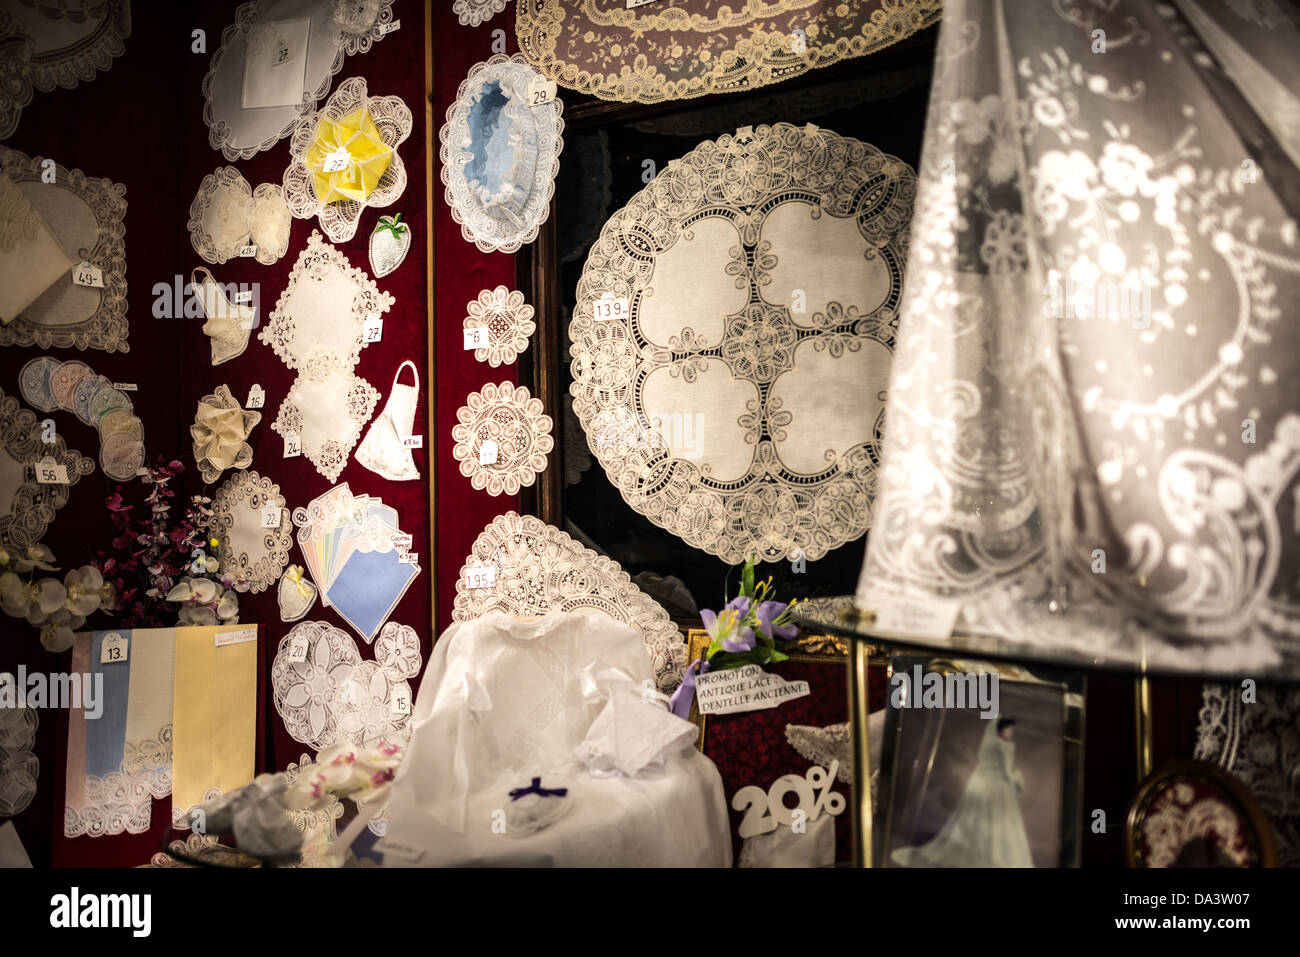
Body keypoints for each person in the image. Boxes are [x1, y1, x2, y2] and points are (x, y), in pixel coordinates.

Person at [891, 716, 1034, 867]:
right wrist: (1016, 779)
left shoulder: (994, 744)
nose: (1010, 733)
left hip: (984, 782)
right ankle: (988, 854)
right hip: (996, 786)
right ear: (1000, 730)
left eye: (1011, 730)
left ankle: (978, 849)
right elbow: (1006, 771)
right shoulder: (1004, 746)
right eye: (1008, 729)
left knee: (982, 819)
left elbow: (992, 763)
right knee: (995, 820)